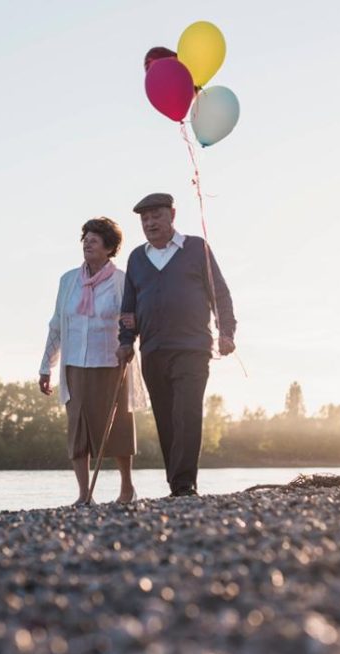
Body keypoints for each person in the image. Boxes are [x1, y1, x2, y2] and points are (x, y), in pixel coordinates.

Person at [116, 193, 236, 497]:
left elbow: (219, 293)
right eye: (144, 219)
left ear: (172, 214)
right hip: (153, 349)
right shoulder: (136, 258)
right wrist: (125, 340)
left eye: (156, 216)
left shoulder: (196, 248)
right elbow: (128, 307)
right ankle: (177, 484)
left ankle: (184, 484)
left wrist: (226, 332)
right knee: (166, 418)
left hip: (192, 347)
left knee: (187, 412)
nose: (150, 223)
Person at [39, 217, 147, 506]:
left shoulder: (122, 281)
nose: (87, 242)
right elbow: (57, 325)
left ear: (109, 247)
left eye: (94, 239)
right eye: (85, 238)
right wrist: (45, 366)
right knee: (78, 429)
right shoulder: (68, 280)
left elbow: (129, 320)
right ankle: (84, 495)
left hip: (111, 362)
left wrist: (128, 345)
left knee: (118, 425)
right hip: (74, 365)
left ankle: (127, 489)